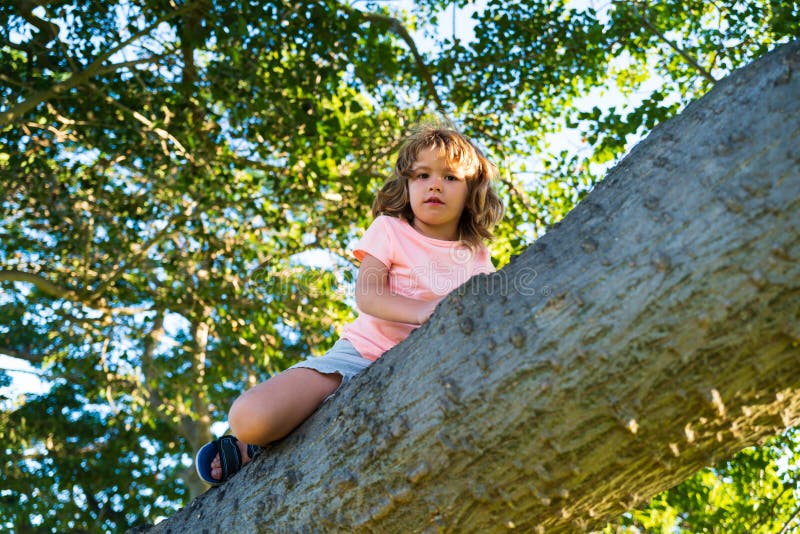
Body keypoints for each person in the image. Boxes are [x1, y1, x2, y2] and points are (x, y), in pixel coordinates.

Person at [196, 123, 504, 485]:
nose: (435, 184)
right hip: (360, 356)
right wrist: (425, 311)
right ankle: (252, 444)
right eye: (422, 175)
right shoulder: (390, 229)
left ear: (471, 193)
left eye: (451, 177)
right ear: (406, 185)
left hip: (429, 370)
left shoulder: (478, 257)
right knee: (249, 416)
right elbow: (368, 295)